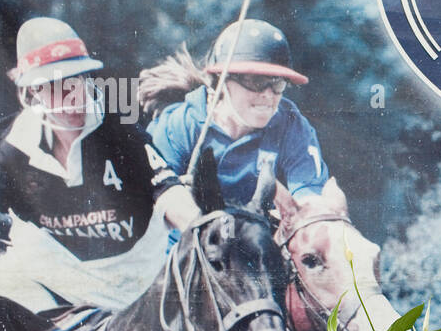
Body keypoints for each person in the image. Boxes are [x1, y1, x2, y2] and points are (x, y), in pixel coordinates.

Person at [0, 16, 202, 331]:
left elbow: (169, 192)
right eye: (53, 88)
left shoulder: (121, 134)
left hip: (130, 288)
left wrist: (200, 227)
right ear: (31, 93)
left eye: (76, 82)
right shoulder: (2, 145)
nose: (70, 96)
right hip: (45, 281)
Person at [140, 19, 329, 211]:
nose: (267, 94)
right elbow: (155, 197)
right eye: (256, 81)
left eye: (277, 83)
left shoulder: (291, 124)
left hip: (260, 236)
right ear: (221, 82)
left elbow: (310, 195)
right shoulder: (179, 125)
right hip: (188, 233)